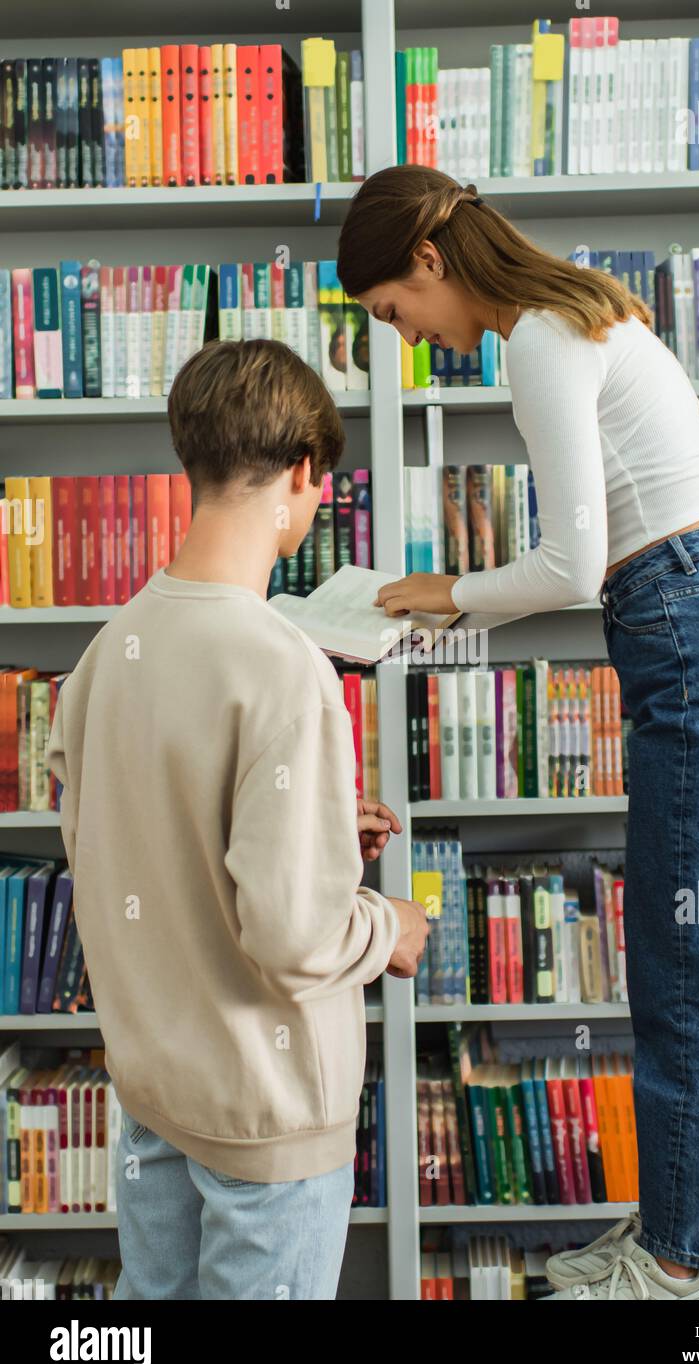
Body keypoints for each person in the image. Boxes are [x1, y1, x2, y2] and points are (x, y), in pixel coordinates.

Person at [337, 165, 699, 1302]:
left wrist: (443, 590)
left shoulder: (542, 340)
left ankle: (683, 1264)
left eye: (391, 312)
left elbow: (566, 564)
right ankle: (671, 1233)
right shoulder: (576, 315)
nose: (405, 337)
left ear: (426, 260)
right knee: (679, 966)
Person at [46, 338, 429, 1300]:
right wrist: (390, 929)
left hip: (156, 1095)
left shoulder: (108, 651)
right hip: (266, 1117)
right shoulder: (282, 664)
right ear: (303, 472)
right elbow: (293, 935)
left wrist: (314, 834)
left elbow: (121, 850)